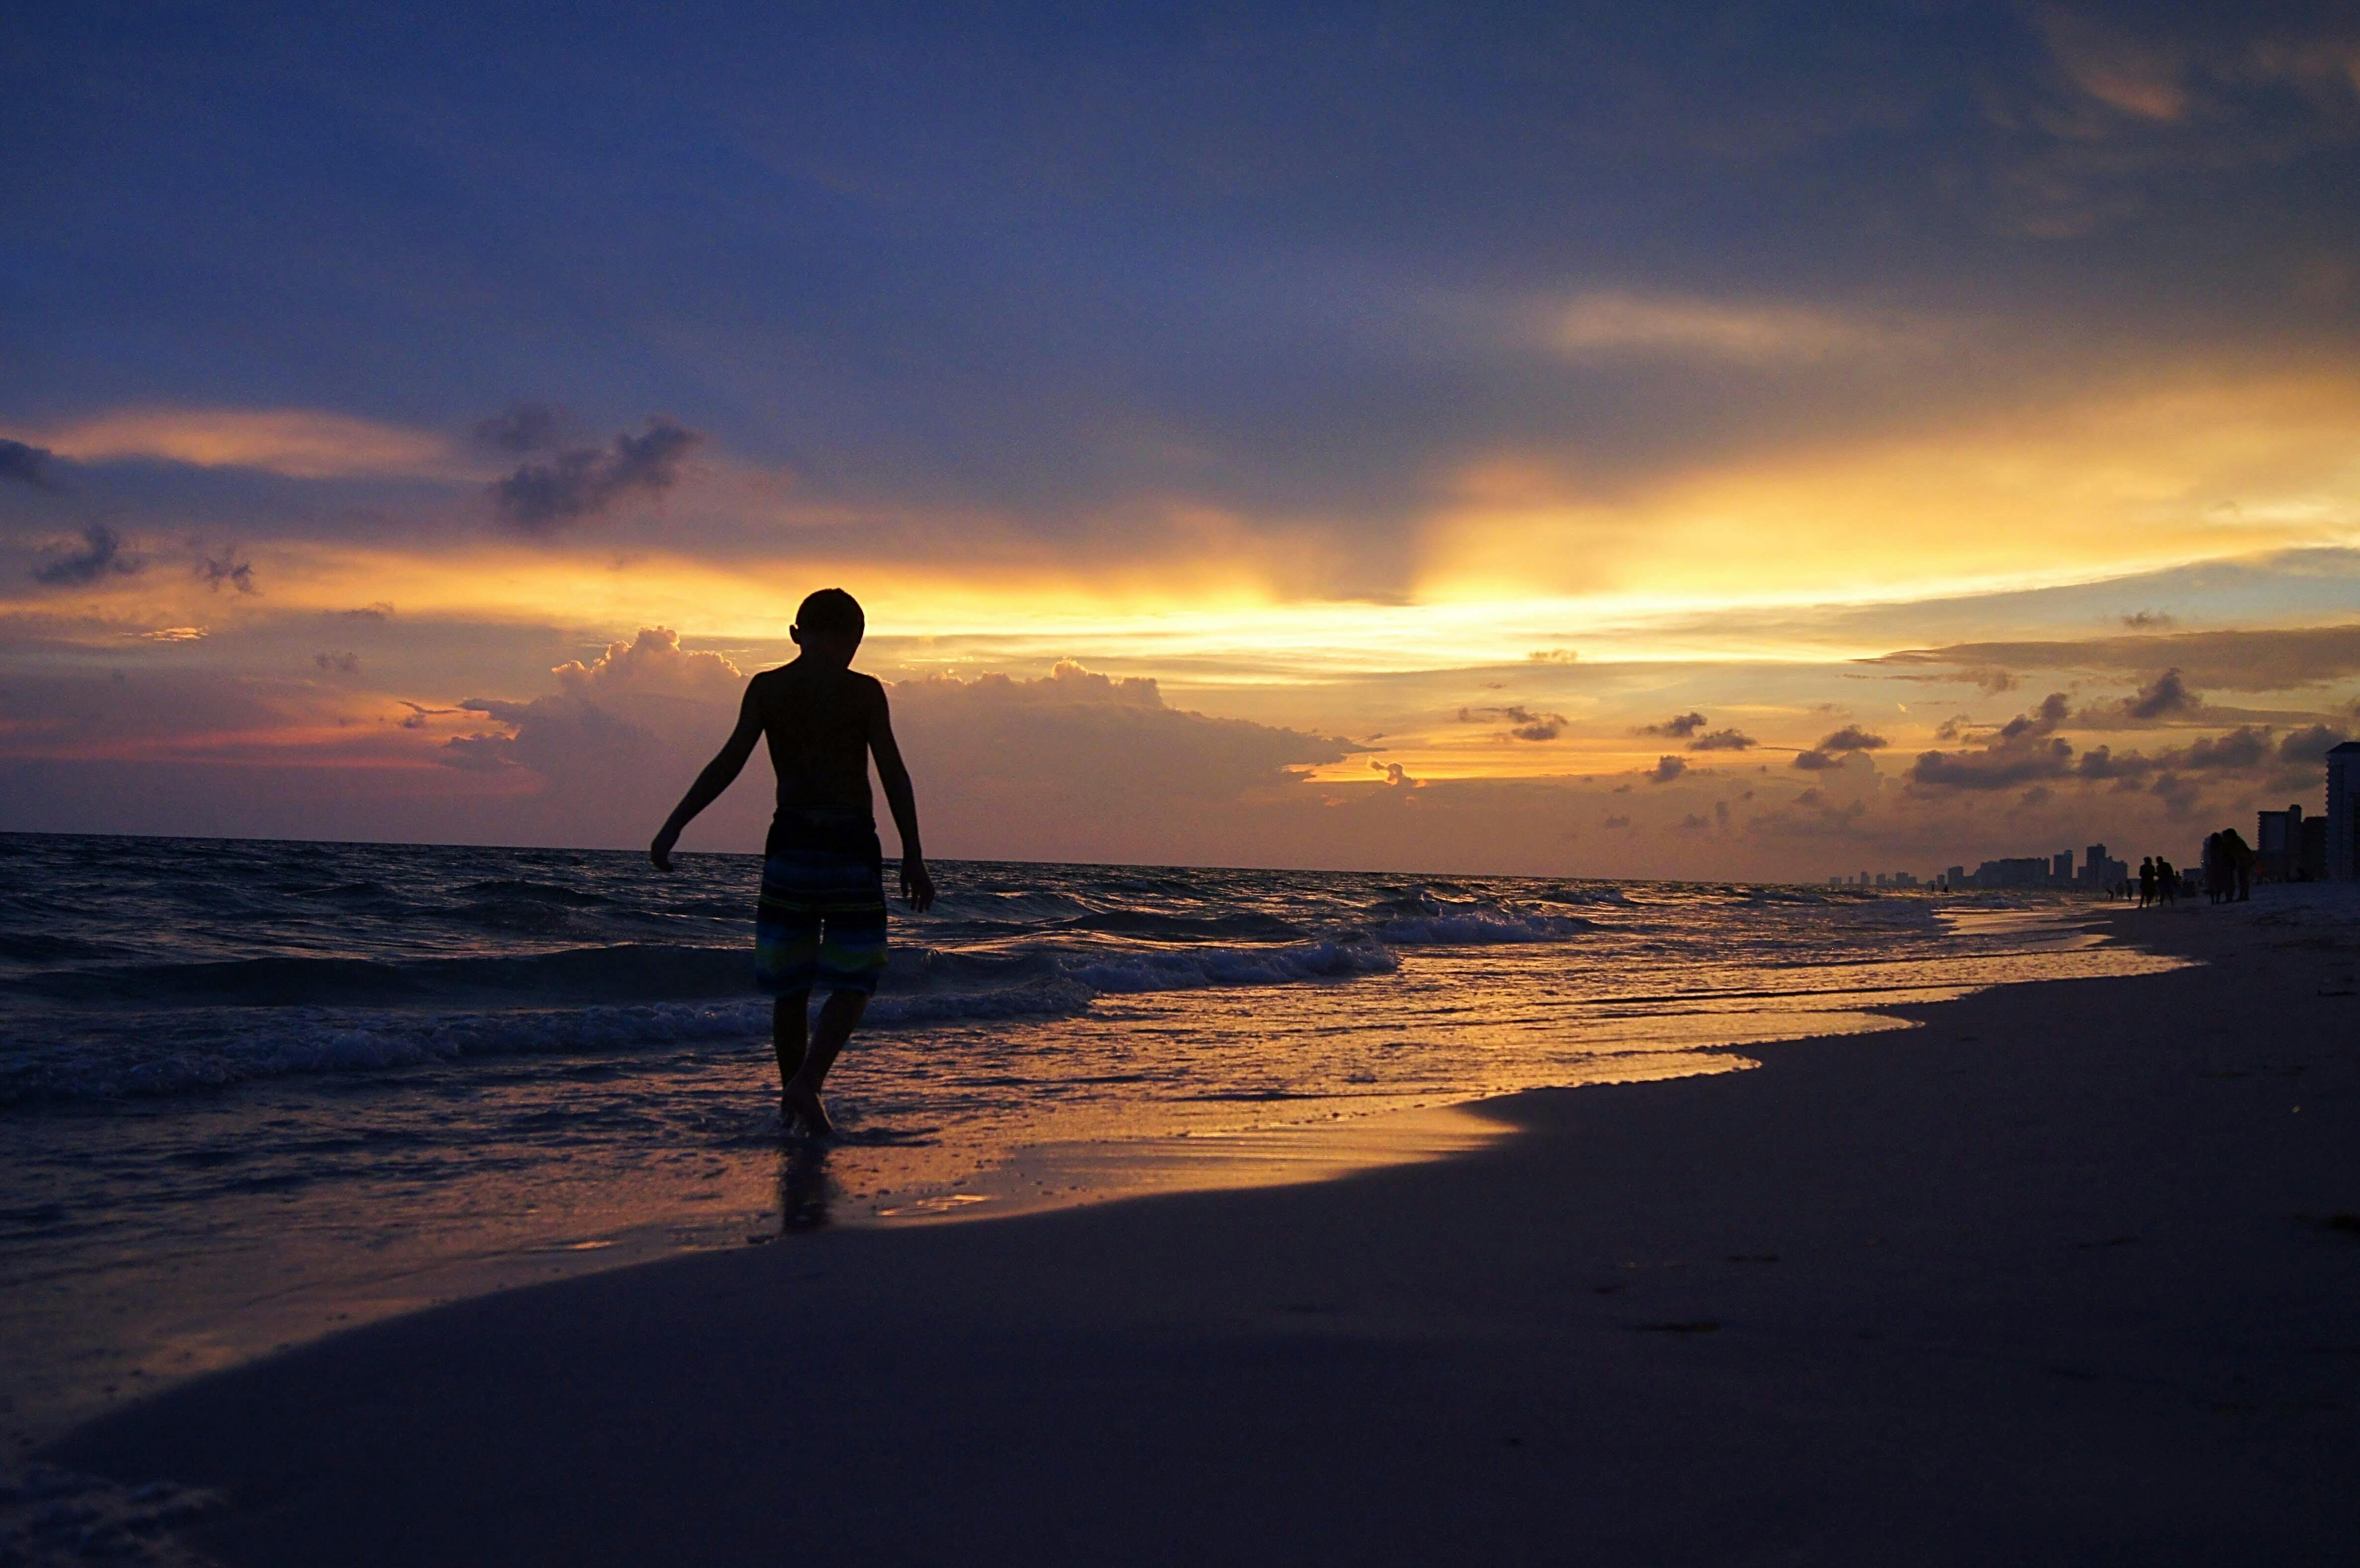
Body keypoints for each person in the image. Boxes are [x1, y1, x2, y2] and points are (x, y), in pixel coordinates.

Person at [649, 588, 934, 1136]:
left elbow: (728, 762)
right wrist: (913, 855)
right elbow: (893, 774)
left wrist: (675, 823)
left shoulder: (768, 688)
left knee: (790, 983)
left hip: (791, 841)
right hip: (850, 841)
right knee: (857, 977)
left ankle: (791, 1106)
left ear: (795, 633)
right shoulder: (864, 693)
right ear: (851, 639)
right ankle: (807, 1084)